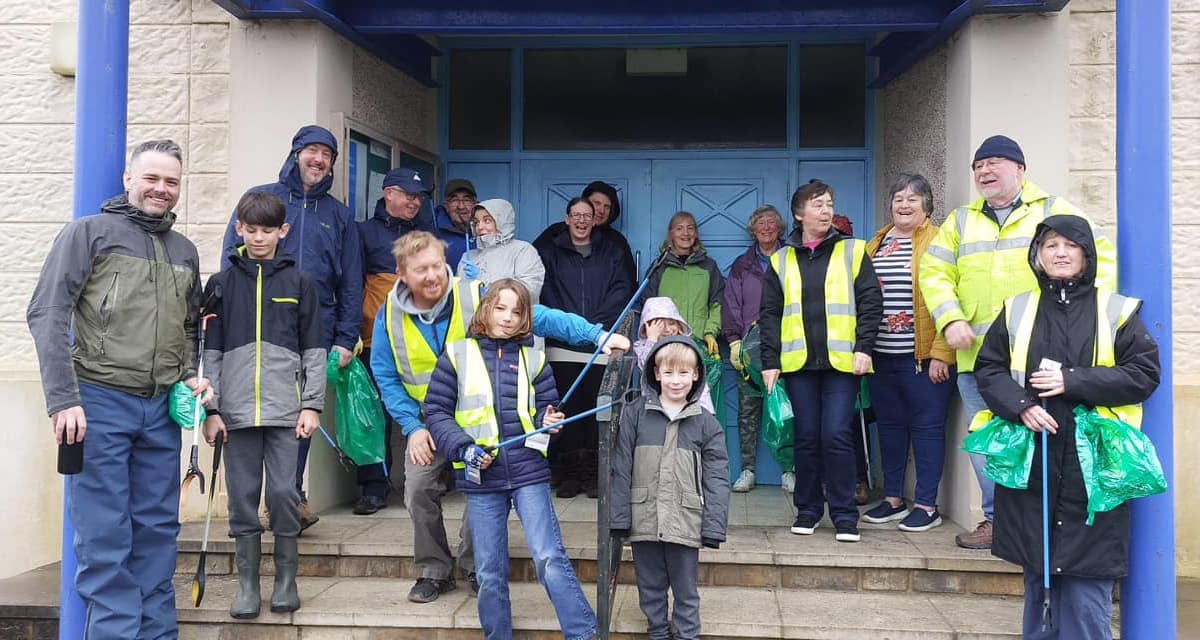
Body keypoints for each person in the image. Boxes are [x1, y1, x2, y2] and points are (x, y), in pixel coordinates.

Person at [371, 231, 630, 603]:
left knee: (482, 492)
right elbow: (385, 375)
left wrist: (597, 336)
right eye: (420, 269)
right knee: (418, 489)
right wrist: (412, 427)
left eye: (437, 265)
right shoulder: (389, 315)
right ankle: (433, 570)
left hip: (481, 421)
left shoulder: (473, 294)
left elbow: (538, 315)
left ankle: (478, 566)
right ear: (401, 274)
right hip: (429, 421)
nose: (432, 276)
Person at [27, 139, 206, 638]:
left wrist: (189, 375)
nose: (161, 189)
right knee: (105, 540)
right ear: (129, 180)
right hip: (98, 404)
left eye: (171, 181)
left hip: (161, 411)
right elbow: (46, 313)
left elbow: (188, 328)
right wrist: (63, 400)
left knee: (158, 534)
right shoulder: (88, 234)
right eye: (151, 178)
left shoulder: (185, 251)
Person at [919, 135, 1117, 550]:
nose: (985, 171)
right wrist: (950, 319)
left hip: (1042, 357)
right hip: (979, 358)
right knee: (989, 444)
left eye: (994, 162)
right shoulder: (961, 220)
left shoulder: (1054, 211)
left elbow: (1100, 260)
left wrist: (1085, 327)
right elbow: (934, 273)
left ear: (1020, 169)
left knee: (1047, 440)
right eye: (978, 166)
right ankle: (997, 522)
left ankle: (1045, 526)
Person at [974, 215, 1159, 639]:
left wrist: (1071, 381)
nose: (1060, 253)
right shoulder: (1017, 309)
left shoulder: (1116, 310)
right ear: (1037, 255)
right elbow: (989, 369)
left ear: (1086, 255)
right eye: (1050, 245)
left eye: (1070, 245)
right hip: (1035, 461)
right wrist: (1021, 406)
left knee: (1086, 582)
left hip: (1094, 469)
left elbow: (1143, 374)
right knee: (1038, 577)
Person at [424, 279, 597, 640]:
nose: (507, 317)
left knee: (549, 558)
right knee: (489, 572)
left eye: (516, 311)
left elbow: (544, 412)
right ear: (485, 309)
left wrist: (549, 422)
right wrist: (464, 449)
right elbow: (436, 412)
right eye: (500, 308)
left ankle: (584, 634)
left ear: (524, 319)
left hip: (528, 470)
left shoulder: (534, 359)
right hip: (480, 476)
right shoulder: (456, 354)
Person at [223, 124, 363, 530]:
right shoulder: (263, 199)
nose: (318, 160)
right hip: (258, 328)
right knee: (254, 411)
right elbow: (231, 261)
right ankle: (255, 505)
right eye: (311, 151)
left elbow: (352, 282)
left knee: (302, 412)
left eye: (327, 154)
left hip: (316, 331)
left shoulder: (340, 216)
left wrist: (345, 337)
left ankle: (288, 497)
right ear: (296, 153)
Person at [200, 191, 326, 618]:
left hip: (286, 411)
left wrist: (312, 405)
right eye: (251, 229)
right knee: (242, 496)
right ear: (239, 229)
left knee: (283, 492)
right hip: (234, 414)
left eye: (267, 230)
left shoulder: (300, 283)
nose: (258, 238)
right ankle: (248, 586)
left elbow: (314, 350)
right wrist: (211, 411)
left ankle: (287, 581)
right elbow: (210, 352)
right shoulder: (220, 284)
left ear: (282, 232)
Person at [760, 179, 883, 543]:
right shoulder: (780, 259)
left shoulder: (853, 250)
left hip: (842, 363)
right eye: (817, 204)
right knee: (807, 437)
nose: (826, 210)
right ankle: (808, 510)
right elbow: (769, 315)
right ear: (799, 214)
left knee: (836, 434)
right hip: (799, 364)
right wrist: (770, 361)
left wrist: (865, 347)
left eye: (829, 203)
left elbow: (871, 302)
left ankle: (844, 514)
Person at [610, 337, 730, 640]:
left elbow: (717, 477)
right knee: (650, 587)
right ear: (656, 373)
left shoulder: (706, 423)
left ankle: (688, 635)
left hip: (685, 520)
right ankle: (658, 633)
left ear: (696, 375)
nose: (676, 381)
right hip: (644, 517)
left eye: (684, 373)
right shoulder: (635, 414)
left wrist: (714, 525)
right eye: (669, 372)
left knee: (686, 589)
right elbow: (621, 468)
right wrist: (620, 517)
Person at [860, 175, 957, 532]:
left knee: (927, 429)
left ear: (927, 206)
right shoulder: (877, 242)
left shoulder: (940, 240)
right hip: (882, 356)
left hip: (924, 359)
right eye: (898, 198)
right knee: (890, 428)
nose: (904, 204)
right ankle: (893, 500)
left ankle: (927, 505)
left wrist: (942, 352)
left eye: (912, 199)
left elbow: (952, 296)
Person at [536, 197, 638, 498]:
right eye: (576, 215)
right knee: (566, 410)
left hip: (601, 345)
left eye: (587, 216)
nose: (581, 221)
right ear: (567, 219)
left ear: (595, 221)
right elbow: (545, 292)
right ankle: (569, 474)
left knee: (596, 413)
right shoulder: (550, 252)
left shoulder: (611, 251)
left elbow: (621, 290)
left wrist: (594, 329)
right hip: (561, 346)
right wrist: (570, 327)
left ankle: (594, 474)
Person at [355, 167, 433, 515]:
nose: (415, 202)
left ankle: (434, 479)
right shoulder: (363, 233)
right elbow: (352, 284)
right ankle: (373, 486)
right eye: (409, 195)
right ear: (389, 193)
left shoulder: (426, 234)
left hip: (421, 339)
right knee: (373, 416)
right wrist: (351, 333)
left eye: (419, 197)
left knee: (432, 409)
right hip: (377, 338)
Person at [722, 205, 786, 492]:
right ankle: (747, 469)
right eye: (761, 223)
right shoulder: (742, 265)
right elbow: (731, 303)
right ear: (752, 229)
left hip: (786, 345)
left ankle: (790, 469)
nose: (766, 228)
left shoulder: (791, 257)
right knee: (748, 411)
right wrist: (734, 340)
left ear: (780, 228)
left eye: (771, 222)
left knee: (785, 409)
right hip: (749, 348)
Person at [645, 211, 725, 360]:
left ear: (696, 234)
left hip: (699, 343)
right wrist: (657, 335)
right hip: (666, 343)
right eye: (679, 228)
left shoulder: (708, 266)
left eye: (690, 228)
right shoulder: (660, 267)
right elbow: (648, 305)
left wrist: (710, 333)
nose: (686, 233)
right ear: (671, 234)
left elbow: (717, 303)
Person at [534, 180, 636, 282]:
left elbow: (627, 281)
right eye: (597, 203)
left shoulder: (617, 241)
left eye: (607, 207)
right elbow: (534, 266)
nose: (601, 211)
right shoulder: (556, 232)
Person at [633, 296, 716, 413]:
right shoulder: (641, 346)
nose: (667, 330)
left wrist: (707, 412)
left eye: (671, 323)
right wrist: (651, 340)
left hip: (689, 408)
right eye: (660, 325)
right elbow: (645, 366)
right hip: (655, 410)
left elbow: (701, 388)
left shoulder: (686, 347)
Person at [457, 198, 545, 302]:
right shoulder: (468, 257)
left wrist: (483, 280)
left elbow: (528, 291)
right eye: (476, 222)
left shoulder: (522, 251)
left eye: (487, 220)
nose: (479, 227)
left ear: (503, 222)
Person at [433, 178, 478, 269]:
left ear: (474, 205)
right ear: (446, 206)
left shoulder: (486, 229)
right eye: (455, 200)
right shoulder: (432, 231)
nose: (461, 206)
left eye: (466, 200)